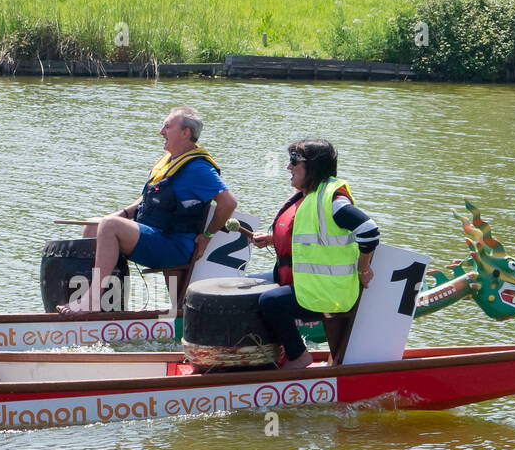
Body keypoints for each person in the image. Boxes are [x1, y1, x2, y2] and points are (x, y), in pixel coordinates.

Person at [59, 106, 237, 313]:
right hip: (154, 235)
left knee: (109, 226)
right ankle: (109, 305)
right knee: (93, 226)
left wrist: (207, 235)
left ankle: (92, 300)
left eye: (167, 126)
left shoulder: (198, 168)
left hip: (175, 245)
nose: (161, 131)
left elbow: (229, 203)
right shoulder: (169, 161)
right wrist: (123, 214)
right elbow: (148, 198)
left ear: (185, 132)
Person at [255, 140, 379, 370]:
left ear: (312, 166)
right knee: (251, 285)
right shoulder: (310, 196)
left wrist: (364, 269)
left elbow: (369, 231)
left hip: (330, 291)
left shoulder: (333, 200)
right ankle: (264, 355)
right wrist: (273, 239)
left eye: (294, 161)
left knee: (270, 301)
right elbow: (316, 238)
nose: (287, 167)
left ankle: (298, 356)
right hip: (314, 285)